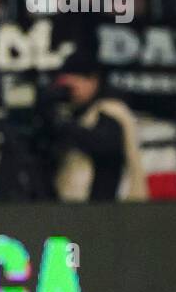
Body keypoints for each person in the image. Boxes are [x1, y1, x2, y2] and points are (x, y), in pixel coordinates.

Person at [49, 51, 146, 202]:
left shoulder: (110, 110)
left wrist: (66, 127)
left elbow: (105, 145)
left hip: (108, 205)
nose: (70, 94)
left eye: (74, 87)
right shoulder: (74, 112)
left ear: (93, 80)